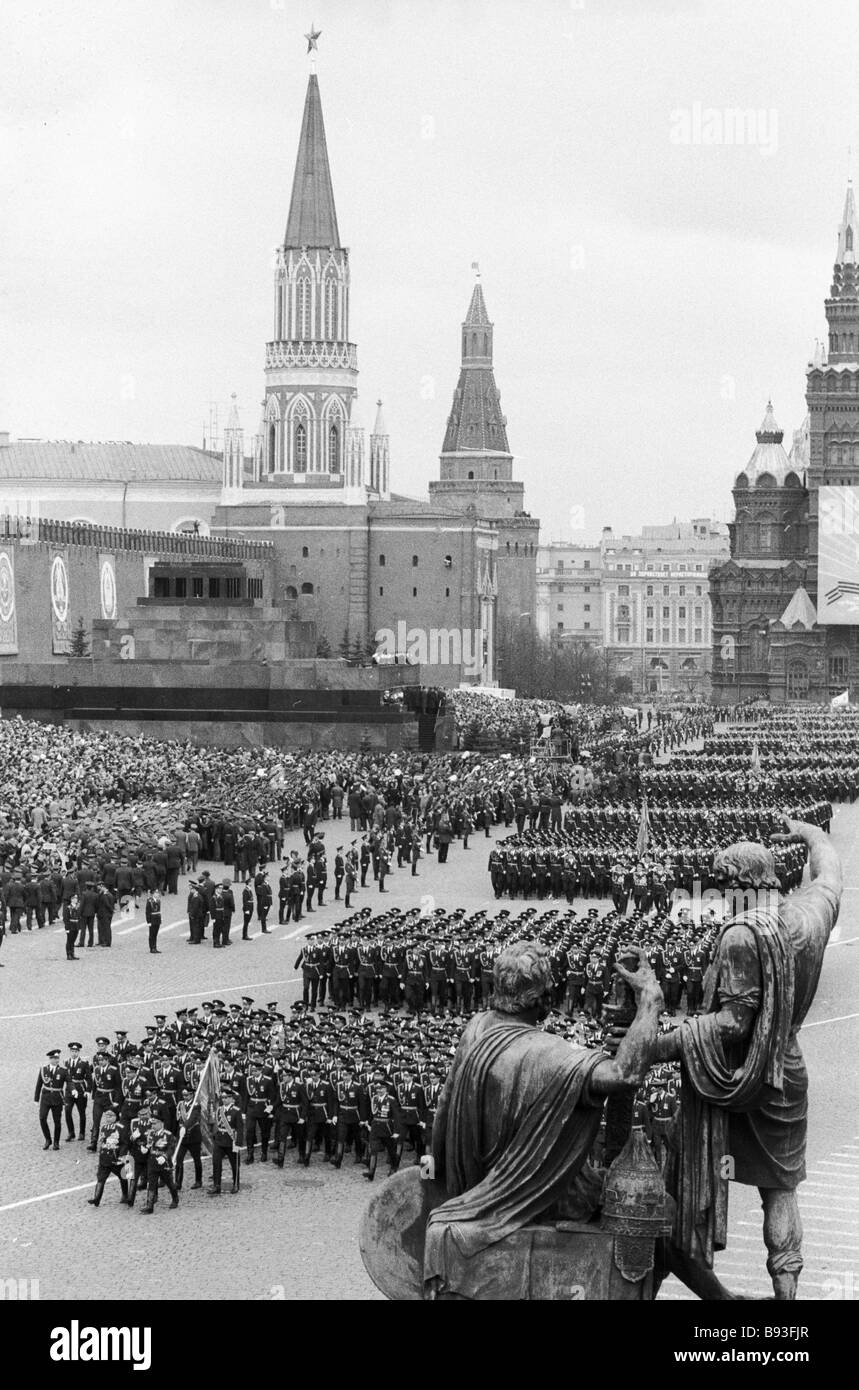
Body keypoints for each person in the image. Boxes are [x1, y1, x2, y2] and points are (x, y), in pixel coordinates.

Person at [655, 817, 843, 1303]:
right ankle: (786, 1301)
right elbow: (830, 874)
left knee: (675, 1172)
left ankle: (693, 1284)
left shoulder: (743, 933)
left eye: (723, 888)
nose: (719, 898)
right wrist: (812, 834)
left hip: (731, 1077)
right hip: (787, 1070)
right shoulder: (808, 915)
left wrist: (663, 1042)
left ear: (739, 885)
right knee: (780, 1192)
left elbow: (735, 1023)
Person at [423, 939, 663, 1300]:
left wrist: (440, 1174)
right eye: (550, 987)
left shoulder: (476, 1029)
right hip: (534, 1200)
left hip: (471, 1188)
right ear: (541, 998)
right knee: (661, 1210)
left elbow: (444, 1107)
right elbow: (624, 1074)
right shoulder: (550, 1057)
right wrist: (650, 1001)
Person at [86, 1108, 130, 1208]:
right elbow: (103, 1141)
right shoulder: (104, 1127)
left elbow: (125, 1143)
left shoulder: (121, 1127)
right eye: (107, 1116)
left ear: (116, 1116)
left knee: (122, 1176)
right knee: (101, 1178)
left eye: (111, 1116)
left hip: (115, 1157)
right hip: (105, 1157)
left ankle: (125, 1195)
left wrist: (122, 1156)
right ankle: (96, 1198)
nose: (108, 1118)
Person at [141, 1115, 179, 1214]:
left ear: (161, 1123)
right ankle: (149, 1206)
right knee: (151, 1184)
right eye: (152, 1124)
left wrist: (165, 1156)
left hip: (164, 1164)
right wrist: (145, 1148)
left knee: (170, 1183)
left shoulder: (168, 1134)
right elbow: (148, 1145)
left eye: (155, 1123)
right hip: (153, 1163)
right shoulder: (150, 1134)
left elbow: (171, 1148)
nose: (153, 1126)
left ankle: (175, 1199)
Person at [210, 1086, 245, 1195]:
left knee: (234, 1164)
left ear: (231, 1098)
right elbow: (217, 1124)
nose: (224, 1100)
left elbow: (240, 1128)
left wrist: (238, 1143)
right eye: (223, 1098)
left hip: (231, 1140)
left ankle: (235, 1184)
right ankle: (217, 1185)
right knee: (216, 1163)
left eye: (226, 1098)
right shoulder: (219, 1110)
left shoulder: (236, 1111)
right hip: (220, 1140)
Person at [35, 1049, 67, 1150]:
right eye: (54, 1058)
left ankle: (56, 1142)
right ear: (50, 1059)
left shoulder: (63, 1071)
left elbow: (69, 1082)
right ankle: (48, 1139)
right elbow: (39, 1084)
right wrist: (36, 1099)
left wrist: (73, 1090)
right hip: (45, 1098)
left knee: (57, 1121)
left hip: (57, 1098)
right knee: (42, 1118)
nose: (56, 1060)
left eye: (58, 1058)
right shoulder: (43, 1069)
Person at [63, 1042, 91, 1142]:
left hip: (80, 1089)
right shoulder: (65, 1062)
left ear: (78, 1052)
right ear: (70, 1052)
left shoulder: (84, 1063)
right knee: (67, 1111)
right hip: (69, 1091)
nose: (74, 1053)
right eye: (72, 1051)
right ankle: (71, 1132)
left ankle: (82, 1132)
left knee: (81, 1111)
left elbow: (89, 1078)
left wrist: (88, 1090)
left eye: (76, 1051)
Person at [63, 893, 81, 961]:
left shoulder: (77, 907)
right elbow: (66, 919)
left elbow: (79, 917)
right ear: (71, 899)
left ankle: (72, 954)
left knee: (73, 941)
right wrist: (67, 928)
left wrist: (79, 926)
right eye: (74, 898)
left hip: (76, 925)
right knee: (69, 941)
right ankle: (68, 954)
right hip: (70, 926)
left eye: (76, 898)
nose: (76, 899)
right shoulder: (68, 908)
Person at [145, 888, 162, 954]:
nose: (157, 894)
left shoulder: (158, 900)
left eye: (158, 893)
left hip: (157, 919)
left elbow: (159, 911)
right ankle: (152, 948)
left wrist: (160, 918)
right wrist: (148, 921)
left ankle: (155, 947)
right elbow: (147, 912)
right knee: (152, 934)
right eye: (156, 893)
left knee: (155, 934)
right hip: (152, 919)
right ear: (153, 894)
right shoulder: (149, 901)